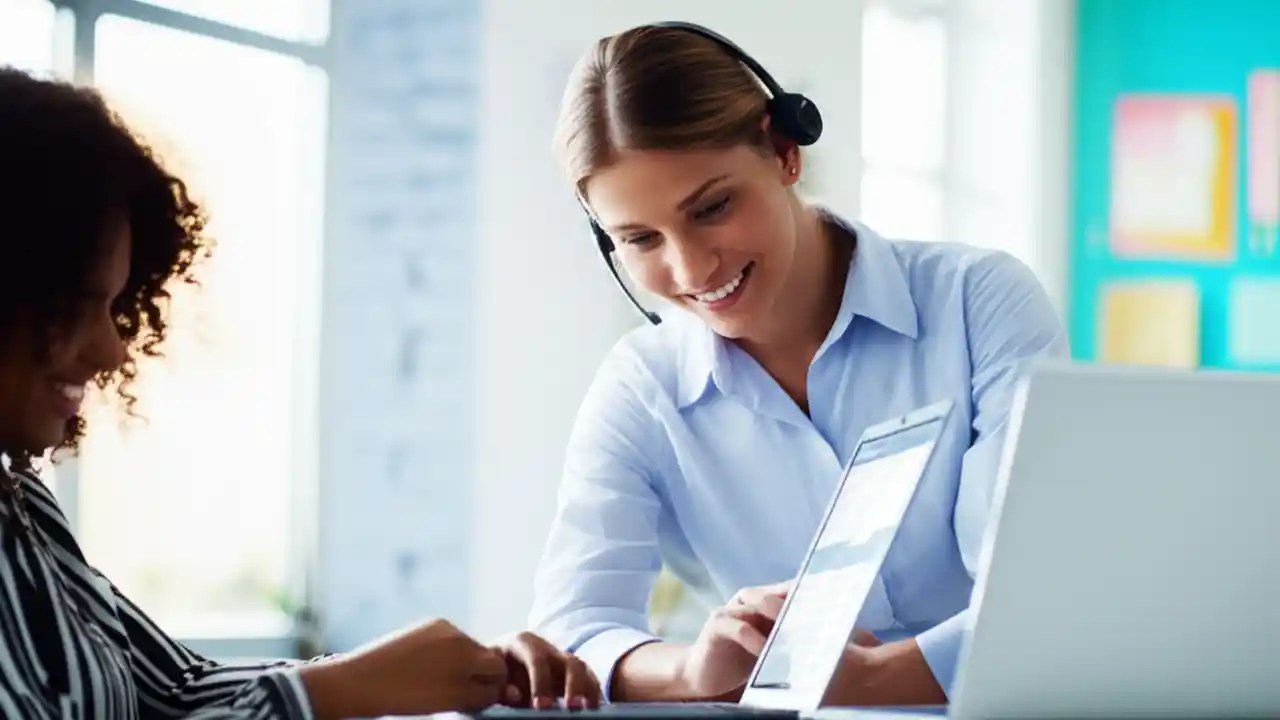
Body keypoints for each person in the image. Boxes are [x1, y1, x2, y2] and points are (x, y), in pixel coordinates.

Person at [0, 66, 601, 719]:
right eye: (79, 306)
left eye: (117, 308)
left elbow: (174, 691)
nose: (111, 349)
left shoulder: (22, 508)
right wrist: (341, 689)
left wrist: (433, 672)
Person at [528, 23, 1069, 707]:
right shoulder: (643, 388)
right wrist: (693, 669)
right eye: (639, 239)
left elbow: (1036, 590)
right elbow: (572, 630)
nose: (692, 267)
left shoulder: (976, 303)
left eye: (713, 207)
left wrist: (869, 679)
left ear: (785, 152)